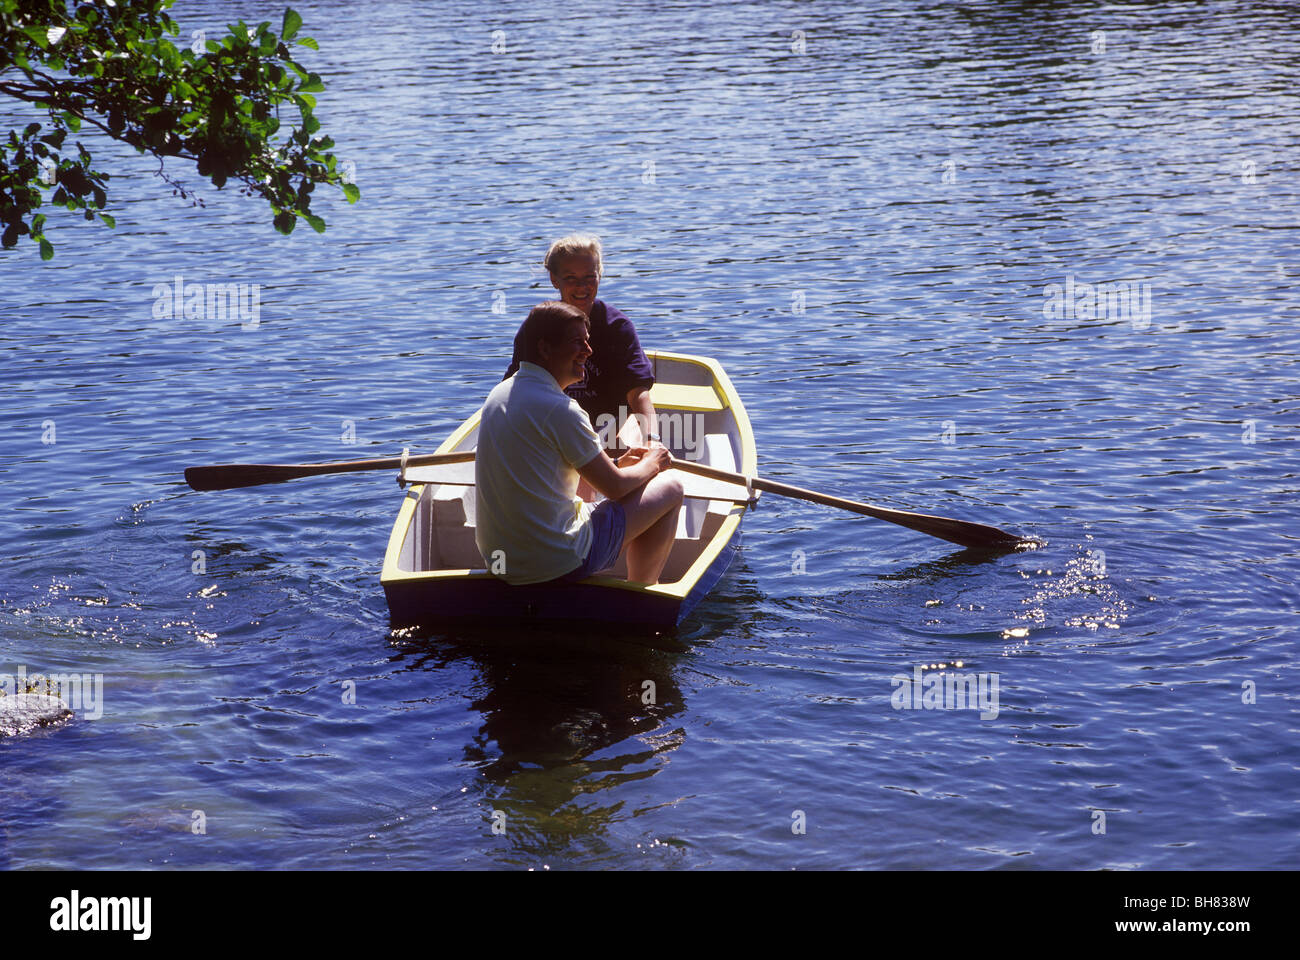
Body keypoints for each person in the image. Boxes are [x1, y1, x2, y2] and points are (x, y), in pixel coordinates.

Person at [476, 301, 684, 586]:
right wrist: (652, 462)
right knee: (671, 486)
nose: (589, 350)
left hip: (502, 560)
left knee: (590, 487)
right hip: (557, 561)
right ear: (545, 348)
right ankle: (643, 591)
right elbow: (615, 487)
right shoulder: (561, 409)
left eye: (587, 342)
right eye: (578, 343)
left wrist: (616, 465)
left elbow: (542, 465)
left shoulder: (499, 395)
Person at [504, 235, 661, 450]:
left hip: (610, 428)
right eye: (570, 278)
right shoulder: (536, 327)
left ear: (599, 276)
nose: (582, 286)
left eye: (590, 277)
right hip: (555, 425)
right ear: (554, 279)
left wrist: (652, 440)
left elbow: (638, 391)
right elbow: (514, 388)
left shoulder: (618, 327)